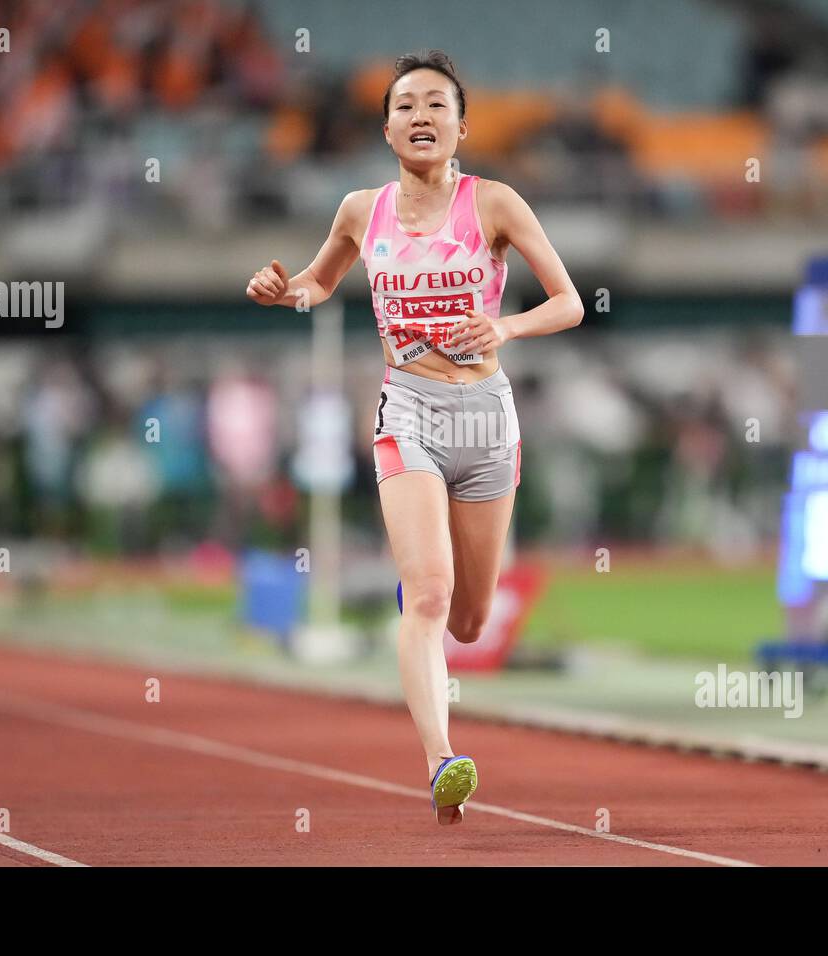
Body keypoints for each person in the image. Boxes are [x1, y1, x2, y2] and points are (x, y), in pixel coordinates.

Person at [246, 50, 583, 824]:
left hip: (489, 418)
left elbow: (569, 303)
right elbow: (317, 283)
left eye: (437, 104)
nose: (421, 116)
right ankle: (441, 760)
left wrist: (504, 324)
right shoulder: (361, 211)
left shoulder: (494, 203)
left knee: (468, 616)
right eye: (405, 105)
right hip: (410, 415)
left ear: (461, 126)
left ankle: (424, 593)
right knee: (429, 596)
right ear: (387, 126)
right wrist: (281, 293)